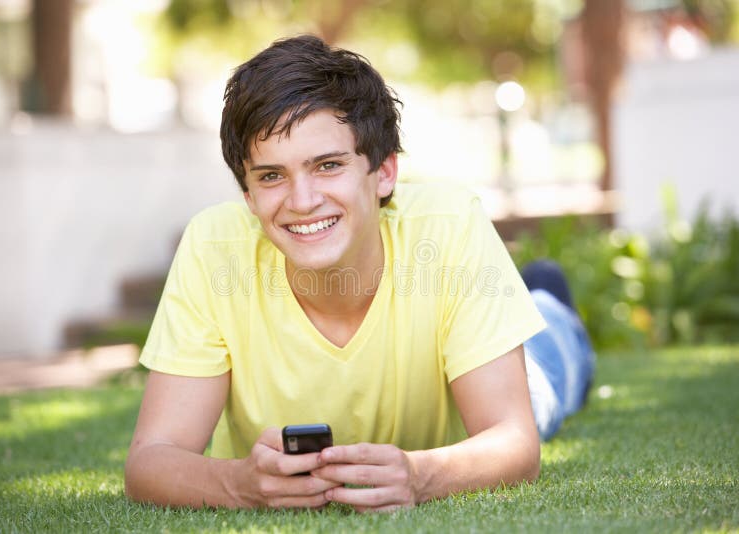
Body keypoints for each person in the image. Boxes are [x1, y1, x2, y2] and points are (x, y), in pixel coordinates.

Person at [124, 35, 594, 512]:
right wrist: (238, 484)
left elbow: (515, 442)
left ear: (385, 172)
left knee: (541, 388)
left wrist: (420, 475)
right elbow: (149, 463)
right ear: (247, 195)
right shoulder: (214, 247)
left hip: (472, 388)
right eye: (271, 176)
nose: (302, 200)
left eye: (328, 166)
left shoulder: (448, 224)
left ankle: (551, 306)